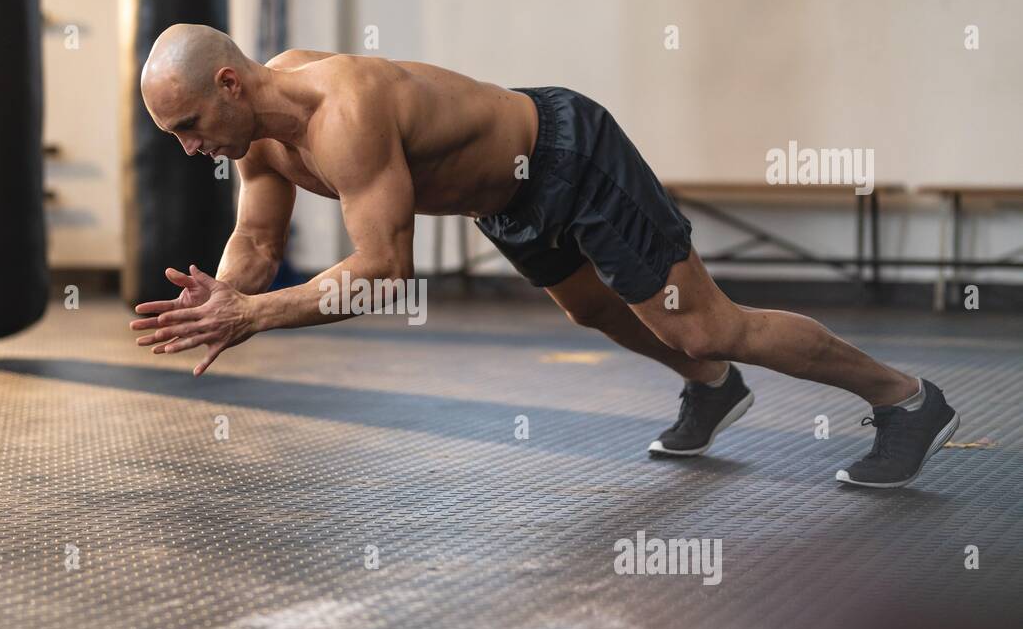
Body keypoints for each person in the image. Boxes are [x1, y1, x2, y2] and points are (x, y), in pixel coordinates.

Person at [129, 24, 959, 489]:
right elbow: (258, 242)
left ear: (231, 85)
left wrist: (258, 311)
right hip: (507, 199)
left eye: (190, 127)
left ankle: (905, 398)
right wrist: (220, 302)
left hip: (567, 151)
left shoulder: (340, 110)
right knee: (591, 307)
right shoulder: (257, 146)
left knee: (705, 324)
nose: (190, 148)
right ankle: (711, 392)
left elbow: (384, 274)